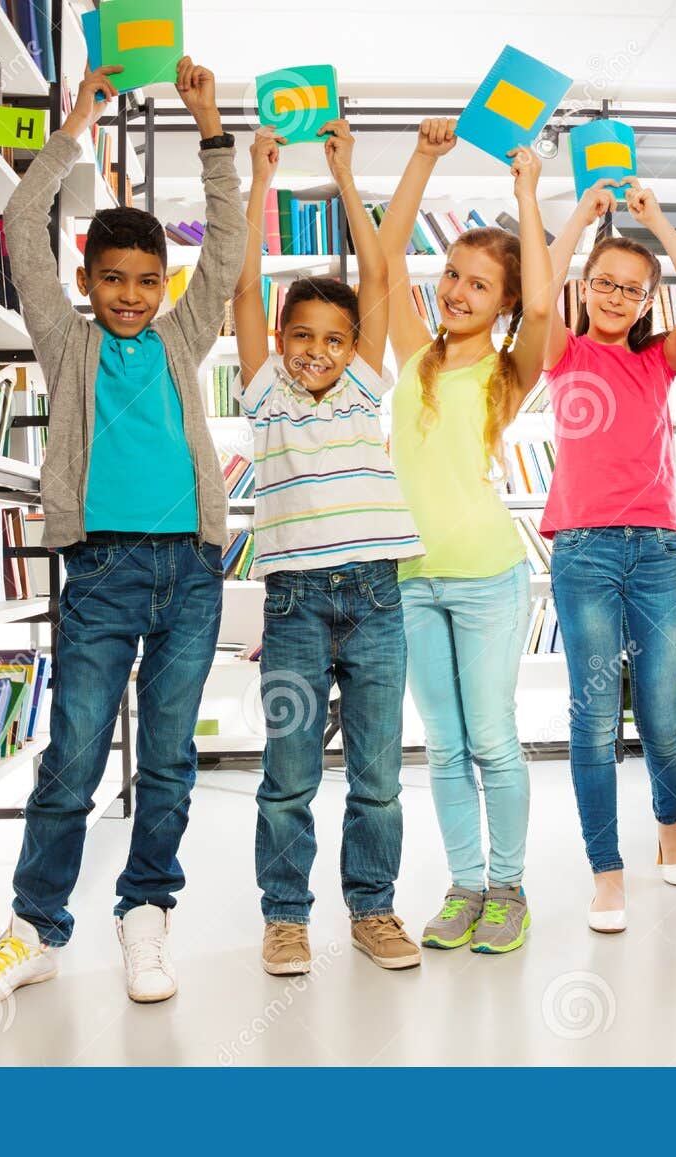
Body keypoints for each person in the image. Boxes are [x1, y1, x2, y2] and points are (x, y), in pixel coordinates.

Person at [0, 59, 246, 1008]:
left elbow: (231, 248)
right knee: (75, 753)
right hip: (102, 569)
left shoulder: (183, 335)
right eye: (112, 278)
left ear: (168, 283)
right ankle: (36, 925)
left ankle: (146, 913)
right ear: (84, 281)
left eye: (146, 279)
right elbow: (15, 227)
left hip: (192, 571)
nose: (130, 294)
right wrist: (76, 120)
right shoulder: (67, 337)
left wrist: (211, 133)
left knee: (168, 755)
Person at [233, 120, 425, 975]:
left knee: (378, 776)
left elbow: (379, 272)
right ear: (280, 341)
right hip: (296, 606)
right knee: (289, 776)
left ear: (354, 347)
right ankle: (285, 916)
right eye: (302, 335)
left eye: (334, 339)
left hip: (378, 597)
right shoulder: (265, 389)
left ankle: (374, 909)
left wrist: (346, 175)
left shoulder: (363, 385)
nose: (317, 350)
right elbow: (241, 287)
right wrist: (260, 177)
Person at [376, 118, 553, 954]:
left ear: (505, 302)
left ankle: (510, 889)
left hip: (487, 575)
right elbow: (382, 260)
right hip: (411, 578)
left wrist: (527, 193)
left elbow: (550, 303)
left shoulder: (509, 371)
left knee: (491, 737)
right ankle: (463, 885)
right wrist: (422, 158)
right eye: (453, 274)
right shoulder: (414, 354)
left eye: (480, 285)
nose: (456, 290)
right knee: (443, 746)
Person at [541, 178, 676, 933]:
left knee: (665, 714)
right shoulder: (562, 353)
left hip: (658, 552)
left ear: (646, 302)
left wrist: (657, 223)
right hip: (583, 553)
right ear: (586, 286)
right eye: (604, 282)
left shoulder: (658, 361)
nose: (614, 295)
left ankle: (670, 821)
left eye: (631, 289)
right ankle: (607, 869)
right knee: (594, 717)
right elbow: (542, 292)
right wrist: (579, 217)